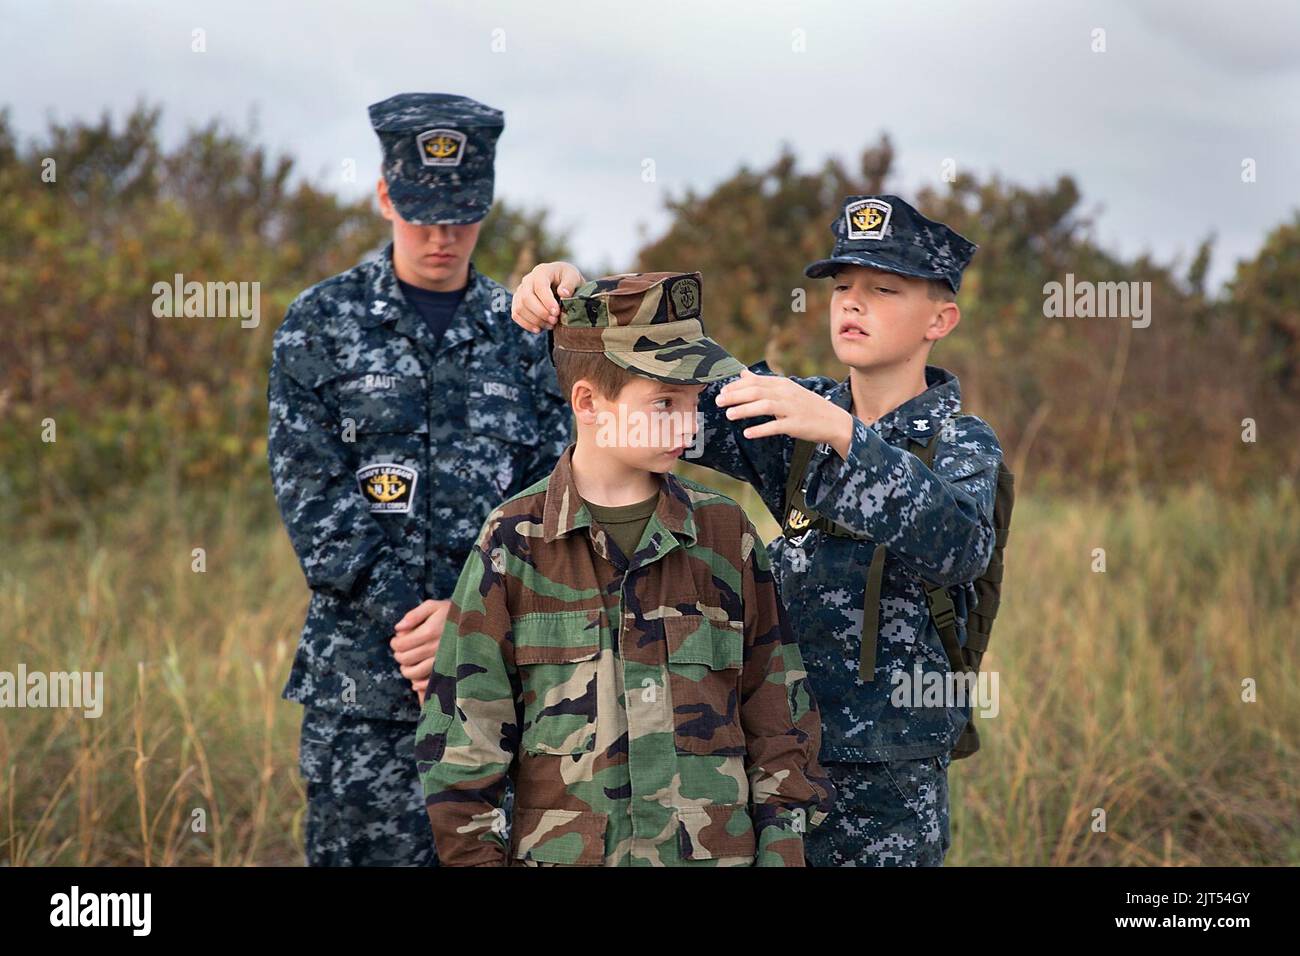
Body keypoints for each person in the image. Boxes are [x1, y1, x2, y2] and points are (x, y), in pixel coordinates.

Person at [511, 195, 1003, 866]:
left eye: (883, 290)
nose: (853, 304)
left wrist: (847, 438)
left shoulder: (957, 440)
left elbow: (961, 548)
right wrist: (579, 304)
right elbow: (657, 388)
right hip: (770, 754)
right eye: (842, 287)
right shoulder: (796, 412)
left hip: (889, 773)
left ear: (940, 319)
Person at [415, 271, 836, 866]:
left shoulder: (724, 535)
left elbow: (781, 734)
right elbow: (463, 755)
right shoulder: (514, 542)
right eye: (663, 403)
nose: (689, 426)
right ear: (588, 402)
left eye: (692, 400)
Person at [266, 92, 570, 866]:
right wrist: (414, 624)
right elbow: (313, 498)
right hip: (361, 695)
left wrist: (469, 620)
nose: (441, 235)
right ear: (383, 196)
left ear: (487, 205)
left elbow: (554, 502)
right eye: (421, 212)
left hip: (497, 694)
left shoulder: (525, 338)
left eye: (461, 215)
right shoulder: (320, 324)